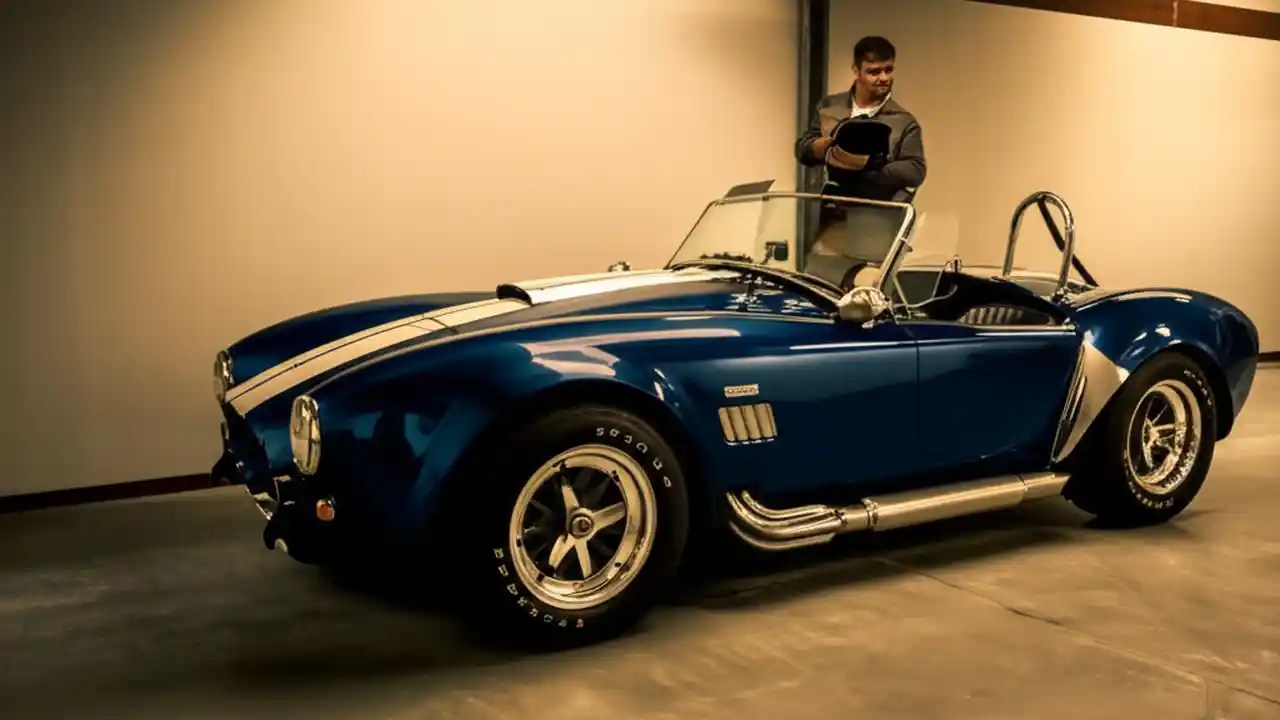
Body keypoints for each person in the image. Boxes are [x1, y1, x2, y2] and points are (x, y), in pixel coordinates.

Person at [795, 36, 926, 202]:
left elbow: (916, 170)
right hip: (832, 207)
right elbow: (802, 150)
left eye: (888, 70)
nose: (884, 78)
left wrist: (870, 167)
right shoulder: (828, 106)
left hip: (881, 212)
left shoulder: (904, 121)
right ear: (856, 70)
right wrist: (828, 146)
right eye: (874, 72)